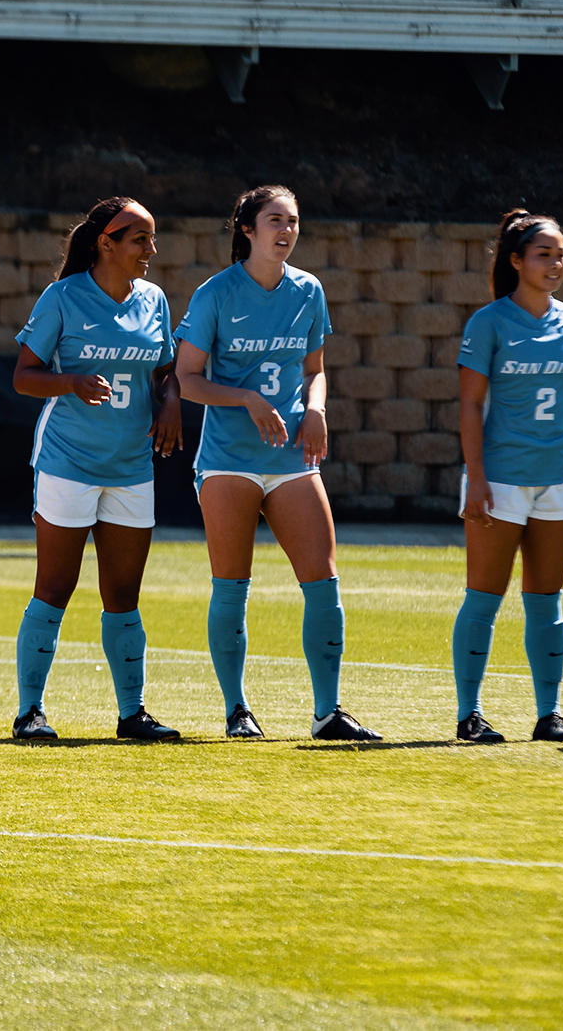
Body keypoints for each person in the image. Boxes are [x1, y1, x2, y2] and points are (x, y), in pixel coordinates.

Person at [174, 185, 379, 742]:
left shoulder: (309, 290)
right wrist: (245, 398)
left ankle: (328, 712)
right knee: (231, 585)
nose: (285, 231)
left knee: (323, 582)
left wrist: (316, 409)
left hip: (292, 459)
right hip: (227, 461)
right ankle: (237, 709)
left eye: (292, 221)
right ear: (247, 229)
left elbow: (315, 369)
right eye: (274, 220)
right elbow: (186, 380)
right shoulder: (215, 293)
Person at [10, 197, 183, 741]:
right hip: (68, 461)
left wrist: (172, 401)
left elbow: (166, 371)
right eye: (140, 240)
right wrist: (72, 383)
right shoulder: (63, 297)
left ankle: (132, 714)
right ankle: (29, 712)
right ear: (105, 243)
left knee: (124, 595)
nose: (150, 251)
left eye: (152, 240)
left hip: (131, 465)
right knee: (55, 587)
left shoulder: (153, 299)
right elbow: (23, 376)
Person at [450, 210, 563, 744]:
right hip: (500, 480)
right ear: (516, 261)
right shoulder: (488, 322)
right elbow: (469, 406)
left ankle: (549, 715)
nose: (556, 263)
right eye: (544, 254)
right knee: (485, 597)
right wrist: (477, 478)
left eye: (561, 254)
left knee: (546, 600)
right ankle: (470, 715)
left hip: (557, 480)